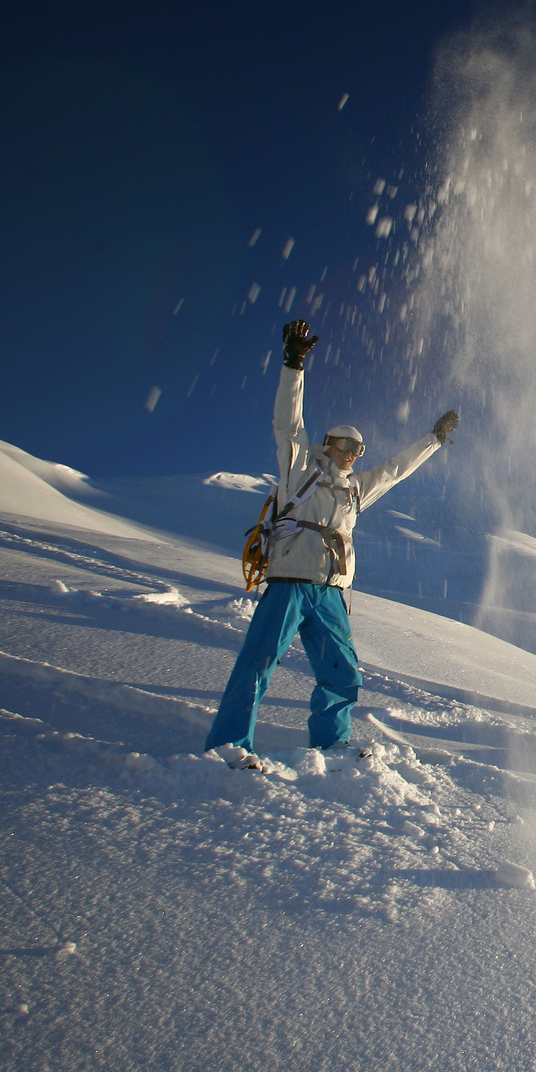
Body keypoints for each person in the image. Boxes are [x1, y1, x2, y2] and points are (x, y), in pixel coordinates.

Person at [205, 319, 460, 766]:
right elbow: (288, 422)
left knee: (340, 673)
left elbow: (397, 470)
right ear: (327, 443)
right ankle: (230, 745)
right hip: (289, 584)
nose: (350, 453)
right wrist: (294, 365)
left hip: (332, 594)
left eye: (357, 449)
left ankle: (331, 742)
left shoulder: (356, 489)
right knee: (258, 663)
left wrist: (434, 440)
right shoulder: (299, 468)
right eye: (343, 444)